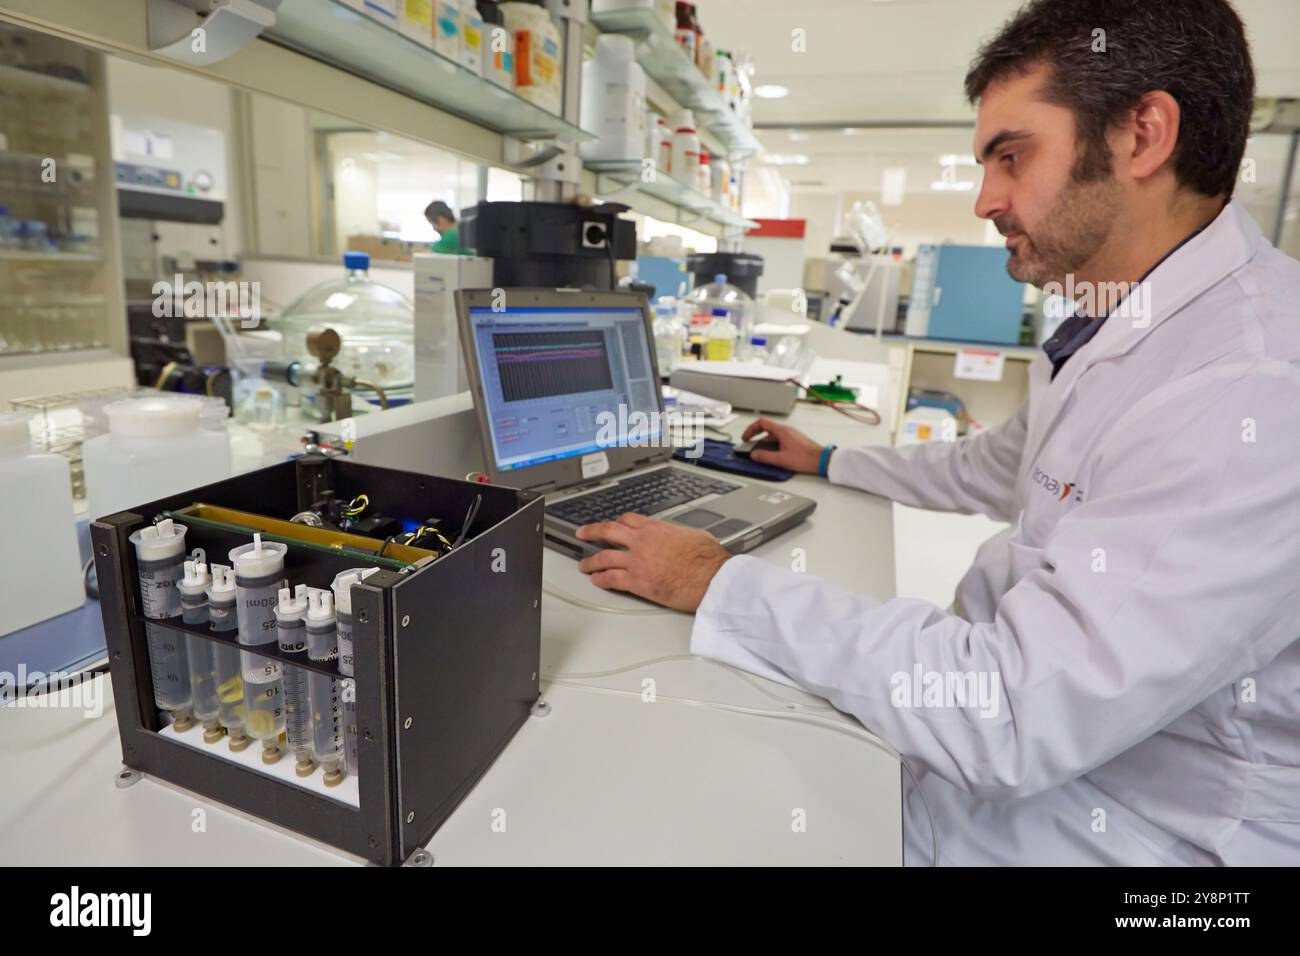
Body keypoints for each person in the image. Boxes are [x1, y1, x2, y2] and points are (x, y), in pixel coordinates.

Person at [573, 0, 1300, 865]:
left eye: (1011, 155)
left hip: (1147, 839)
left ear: (1143, 134)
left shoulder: (1249, 388)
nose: (985, 199)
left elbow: (1010, 711)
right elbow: (997, 467)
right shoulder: (1120, 317)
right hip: (1045, 765)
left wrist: (723, 584)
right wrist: (832, 457)